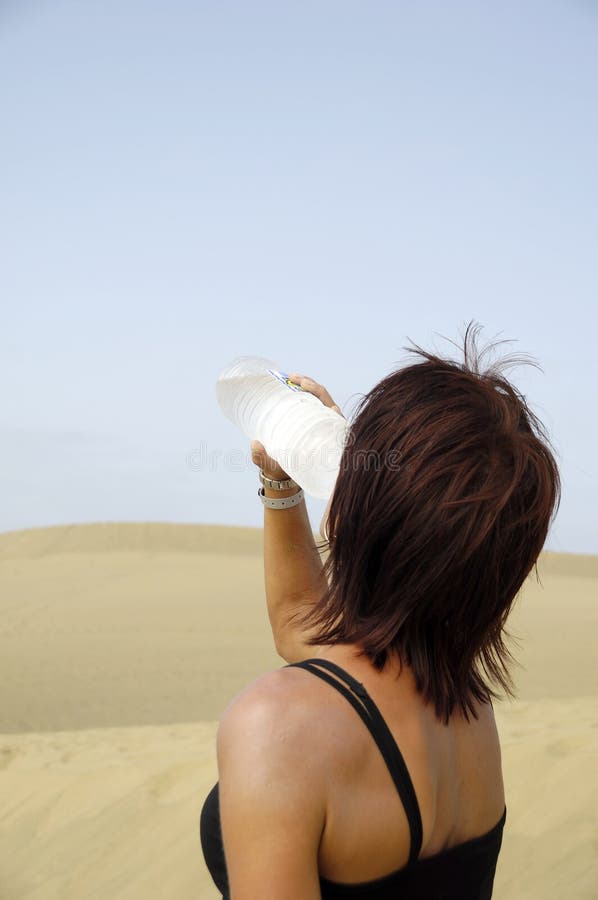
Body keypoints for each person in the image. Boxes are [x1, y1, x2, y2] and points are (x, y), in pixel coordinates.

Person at [200, 325, 560, 900]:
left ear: (366, 516)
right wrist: (280, 481)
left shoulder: (278, 727)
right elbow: (302, 622)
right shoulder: (464, 705)